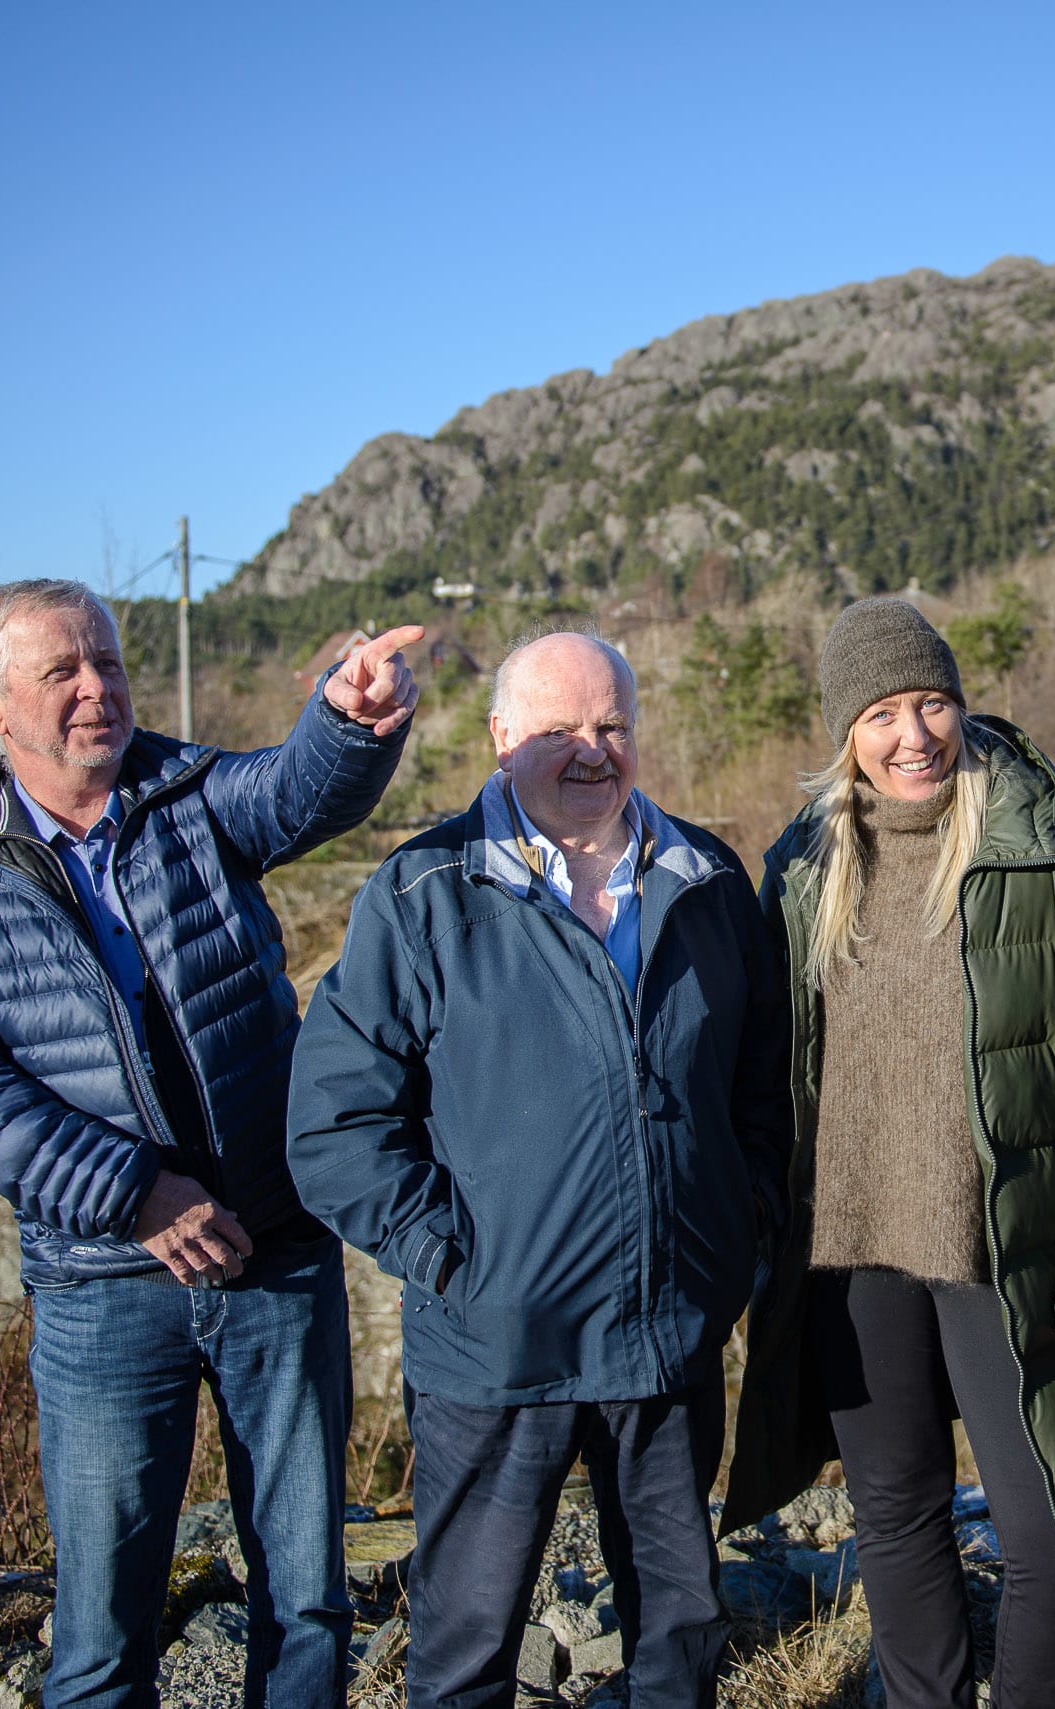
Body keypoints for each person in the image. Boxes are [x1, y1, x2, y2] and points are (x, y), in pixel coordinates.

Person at [0, 579, 419, 1709]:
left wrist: (351, 717)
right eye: (64, 672)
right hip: (102, 1282)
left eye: (110, 662)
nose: (98, 689)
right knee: (102, 1623)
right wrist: (130, 1189)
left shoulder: (183, 790)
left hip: (272, 1248)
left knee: (308, 1598)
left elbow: (297, 790)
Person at [286, 630, 790, 1709]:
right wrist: (453, 1256)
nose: (591, 750)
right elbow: (332, 1120)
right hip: (496, 1349)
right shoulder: (426, 890)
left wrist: (734, 1222)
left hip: (665, 1338)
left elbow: (760, 1085)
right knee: (467, 1639)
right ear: (502, 737)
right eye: (558, 728)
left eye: (611, 725)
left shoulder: (703, 876)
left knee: (680, 1633)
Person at [723, 597, 1055, 1709]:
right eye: (880, 710)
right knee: (896, 1512)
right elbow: (770, 1071)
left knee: (1048, 1520)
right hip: (854, 1245)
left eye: (931, 701)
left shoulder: (1052, 851)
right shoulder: (804, 866)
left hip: (1005, 1251)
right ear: (843, 731)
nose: (912, 732)